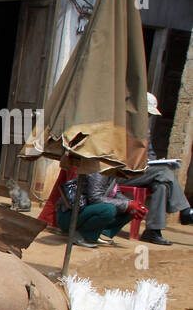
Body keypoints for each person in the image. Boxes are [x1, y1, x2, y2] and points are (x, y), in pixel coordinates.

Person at [115, 92, 193, 246]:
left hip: (139, 172)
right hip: (120, 173)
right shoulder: (121, 127)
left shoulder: (145, 130)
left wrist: (156, 161)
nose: (148, 118)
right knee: (164, 172)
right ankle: (185, 211)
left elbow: (149, 154)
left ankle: (153, 231)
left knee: (162, 184)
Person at [56, 171, 145, 248]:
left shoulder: (112, 173)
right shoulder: (100, 171)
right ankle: (81, 234)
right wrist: (127, 204)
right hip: (69, 217)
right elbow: (95, 198)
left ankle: (95, 234)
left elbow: (116, 194)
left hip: (85, 213)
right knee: (108, 209)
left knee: (131, 210)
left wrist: (133, 204)